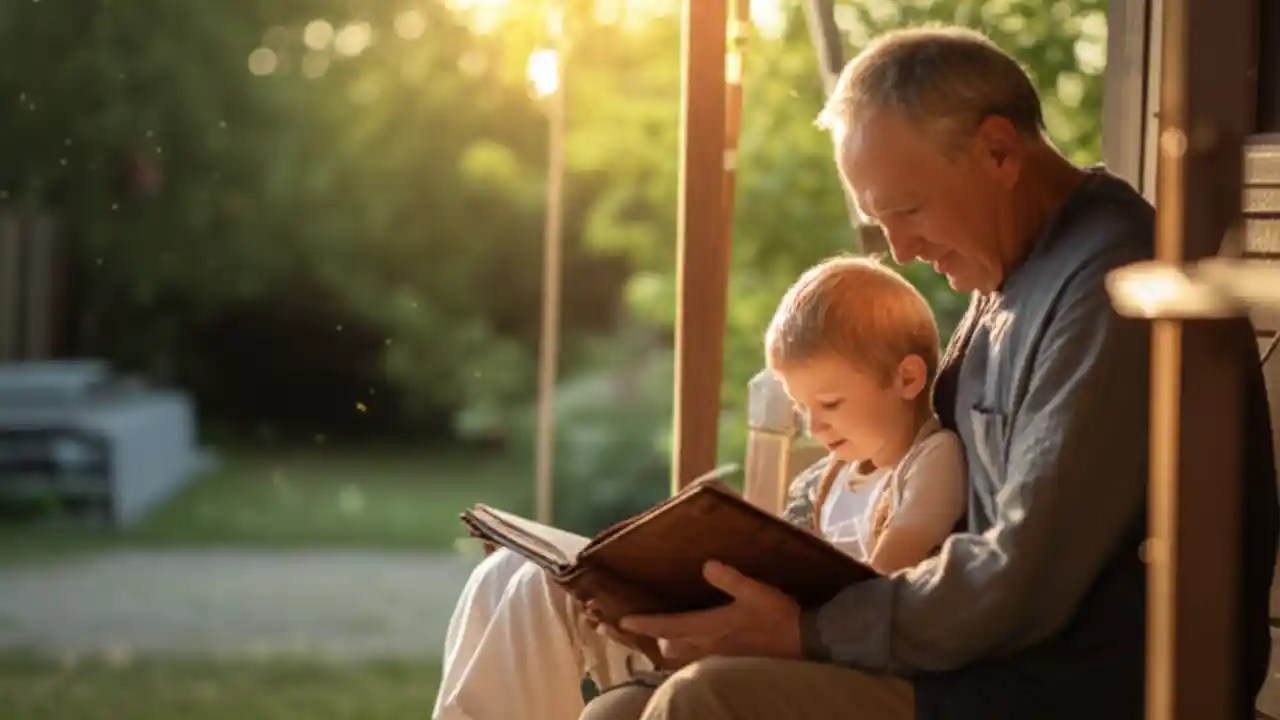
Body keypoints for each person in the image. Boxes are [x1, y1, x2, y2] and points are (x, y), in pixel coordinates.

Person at [580, 26, 1279, 720]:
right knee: (616, 708)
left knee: (706, 701)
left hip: (1064, 691)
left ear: (999, 151)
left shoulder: (1111, 285)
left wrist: (802, 632)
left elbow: (1018, 583)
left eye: (907, 211)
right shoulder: (1005, 277)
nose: (902, 251)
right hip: (972, 662)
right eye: (880, 222)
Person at [432, 257, 968, 720]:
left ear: (906, 380)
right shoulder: (823, 483)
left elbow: (878, 590)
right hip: (746, 645)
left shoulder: (931, 460)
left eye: (829, 404)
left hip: (815, 660)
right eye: (802, 408)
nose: (814, 426)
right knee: (515, 573)